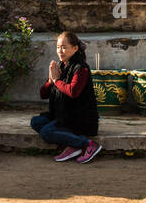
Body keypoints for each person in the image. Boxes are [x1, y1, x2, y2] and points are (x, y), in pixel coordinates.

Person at [31, 31, 102, 163]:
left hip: (80, 118)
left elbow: (73, 92)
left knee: (46, 132)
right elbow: (43, 94)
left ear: (75, 48)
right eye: (58, 47)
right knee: (36, 122)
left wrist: (57, 81)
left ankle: (87, 144)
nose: (60, 51)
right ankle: (73, 145)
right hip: (63, 115)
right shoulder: (61, 67)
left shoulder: (81, 68)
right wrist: (51, 81)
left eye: (64, 47)